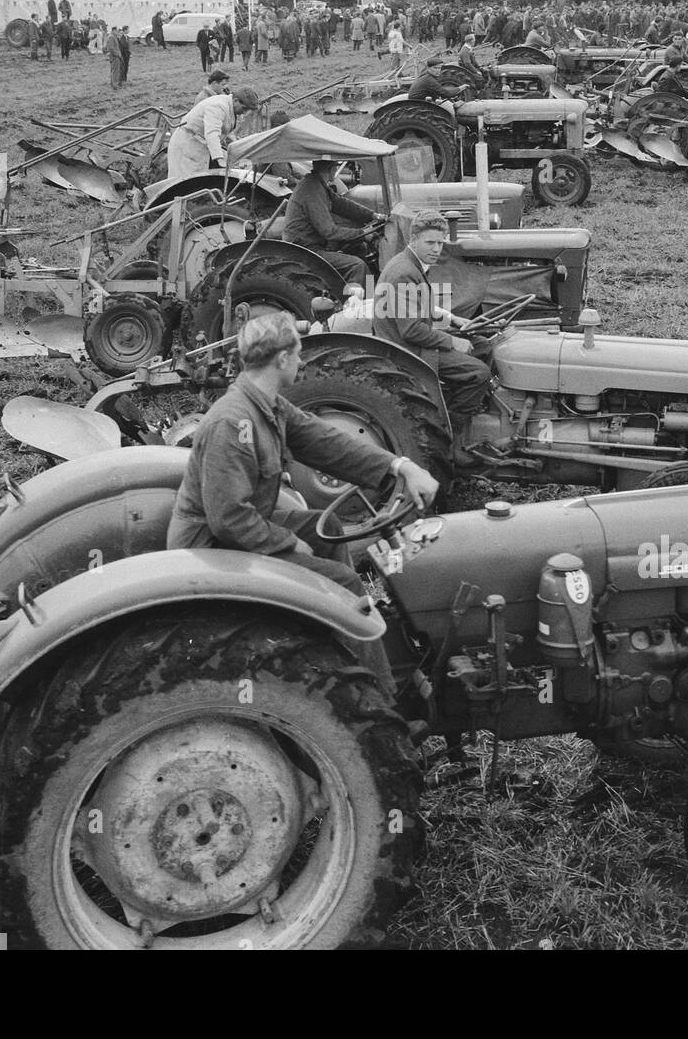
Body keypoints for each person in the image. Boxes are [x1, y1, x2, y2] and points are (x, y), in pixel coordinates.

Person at [166, 312, 439, 699]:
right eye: (297, 354)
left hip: (238, 532)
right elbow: (227, 517)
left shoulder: (267, 405)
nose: (302, 361)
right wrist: (287, 544)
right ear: (280, 359)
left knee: (321, 530)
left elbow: (325, 441)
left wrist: (400, 466)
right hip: (209, 549)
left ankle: (342, 643)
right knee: (340, 584)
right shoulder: (233, 423)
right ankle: (380, 699)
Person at [373, 211, 491, 466]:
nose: (437, 249)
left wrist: (454, 320)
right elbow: (412, 330)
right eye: (430, 243)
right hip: (407, 351)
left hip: (414, 340)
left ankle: (475, 417)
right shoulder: (404, 272)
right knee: (478, 374)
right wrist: (453, 342)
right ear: (413, 239)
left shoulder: (410, 265)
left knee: (484, 345)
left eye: (440, 243)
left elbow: (420, 306)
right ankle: (448, 438)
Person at [283, 159, 378, 287]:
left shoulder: (317, 184)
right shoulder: (311, 190)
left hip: (312, 245)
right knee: (357, 266)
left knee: (360, 248)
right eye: (335, 168)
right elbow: (329, 231)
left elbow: (342, 204)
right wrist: (363, 233)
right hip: (306, 251)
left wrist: (372, 215)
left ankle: (369, 294)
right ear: (332, 169)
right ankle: (354, 304)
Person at [166, 86, 260, 181]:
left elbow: (225, 133)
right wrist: (220, 159)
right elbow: (212, 134)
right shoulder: (218, 106)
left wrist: (239, 151)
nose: (244, 112)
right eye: (244, 109)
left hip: (201, 144)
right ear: (236, 101)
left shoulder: (230, 107)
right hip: (187, 146)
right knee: (184, 182)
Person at [406, 58, 470, 105]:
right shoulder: (428, 79)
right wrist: (461, 88)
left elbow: (433, 91)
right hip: (418, 105)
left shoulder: (426, 75)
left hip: (419, 102)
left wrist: (436, 98)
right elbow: (447, 93)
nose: (438, 70)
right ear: (428, 68)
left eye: (439, 68)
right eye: (435, 68)